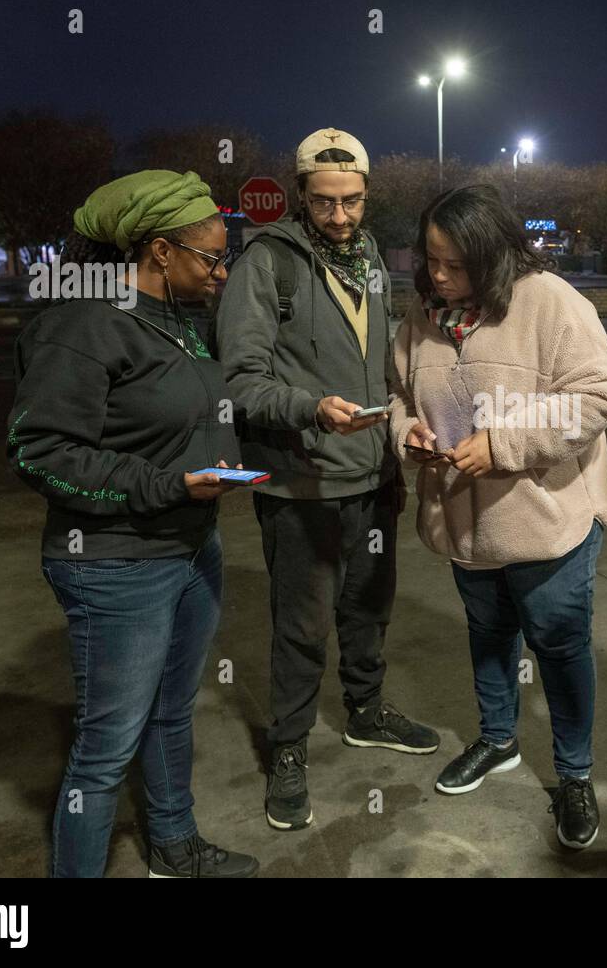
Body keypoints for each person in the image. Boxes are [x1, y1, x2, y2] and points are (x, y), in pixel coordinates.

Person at [7, 170, 258, 878]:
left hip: (190, 548)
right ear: (158, 251)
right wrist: (163, 485)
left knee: (170, 713)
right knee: (104, 749)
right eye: (210, 257)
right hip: (115, 564)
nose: (222, 269)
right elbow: (40, 452)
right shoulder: (82, 325)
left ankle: (175, 848)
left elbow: (189, 415)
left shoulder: (176, 317)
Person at [215, 128, 438, 833]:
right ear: (299, 193)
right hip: (299, 484)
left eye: (353, 202)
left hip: (371, 475)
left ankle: (366, 712)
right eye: (325, 202)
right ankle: (288, 748)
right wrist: (309, 408)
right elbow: (240, 381)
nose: (341, 216)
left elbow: (377, 360)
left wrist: (393, 447)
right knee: (302, 628)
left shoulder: (370, 254)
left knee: (368, 607)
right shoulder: (266, 263)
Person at [389, 184, 607, 849]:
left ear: (494, 256)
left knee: (558, 643)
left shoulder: (550, 302)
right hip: (464, 524)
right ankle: (498, 740)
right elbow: (400, 396)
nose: (438, 276)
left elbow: (596, 398)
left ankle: (574, 773)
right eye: (431, 260)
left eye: (455, 264)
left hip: (546, 522)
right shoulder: (422, 319)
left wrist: (505, 445)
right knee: (488, 634)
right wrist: (407, 434)